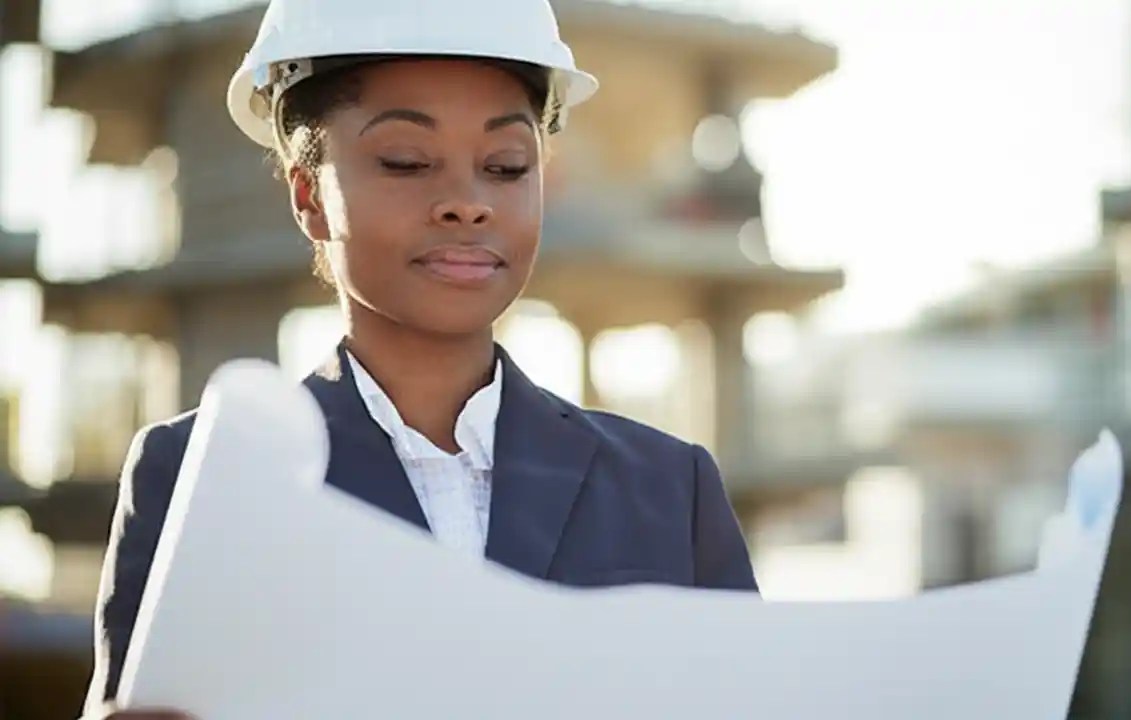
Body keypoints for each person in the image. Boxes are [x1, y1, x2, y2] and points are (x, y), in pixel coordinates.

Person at [83, 0, 757, 717]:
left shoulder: (668, 487)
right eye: (406, 161)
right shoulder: (197, 475)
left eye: (505, 165)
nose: (466, 204)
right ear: (309, 195)